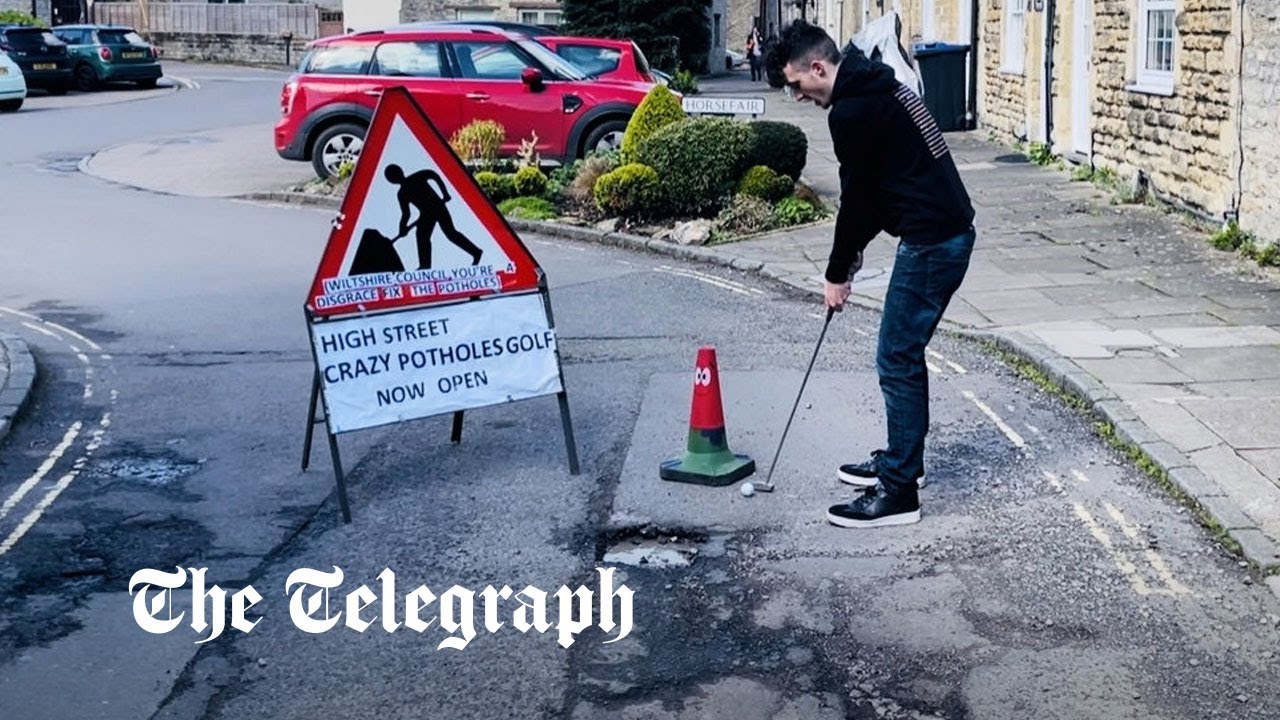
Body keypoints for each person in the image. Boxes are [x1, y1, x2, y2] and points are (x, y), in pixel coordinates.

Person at [764, 21, 976, 529]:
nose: (796, 96)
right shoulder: (875, 85)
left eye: (796, 84)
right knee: (902, 353)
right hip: (941, 232)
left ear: (819, 67)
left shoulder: (855, 108)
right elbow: (885, 184)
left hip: (934, 241)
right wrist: (856, 249)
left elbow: (857, 198)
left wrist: (837, 272)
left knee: (896, 356)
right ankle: (905, 461)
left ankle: (899, 492)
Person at [384, 164, 483, 270]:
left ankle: (476, 252)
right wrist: (402, 227)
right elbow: (406, 214)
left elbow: (433, 175)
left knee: (450, 233)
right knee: (422, 236)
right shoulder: (402, 193)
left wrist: (445, 193)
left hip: (438, 207)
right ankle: (425, 265)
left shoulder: (415, 178)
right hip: (426, 214)